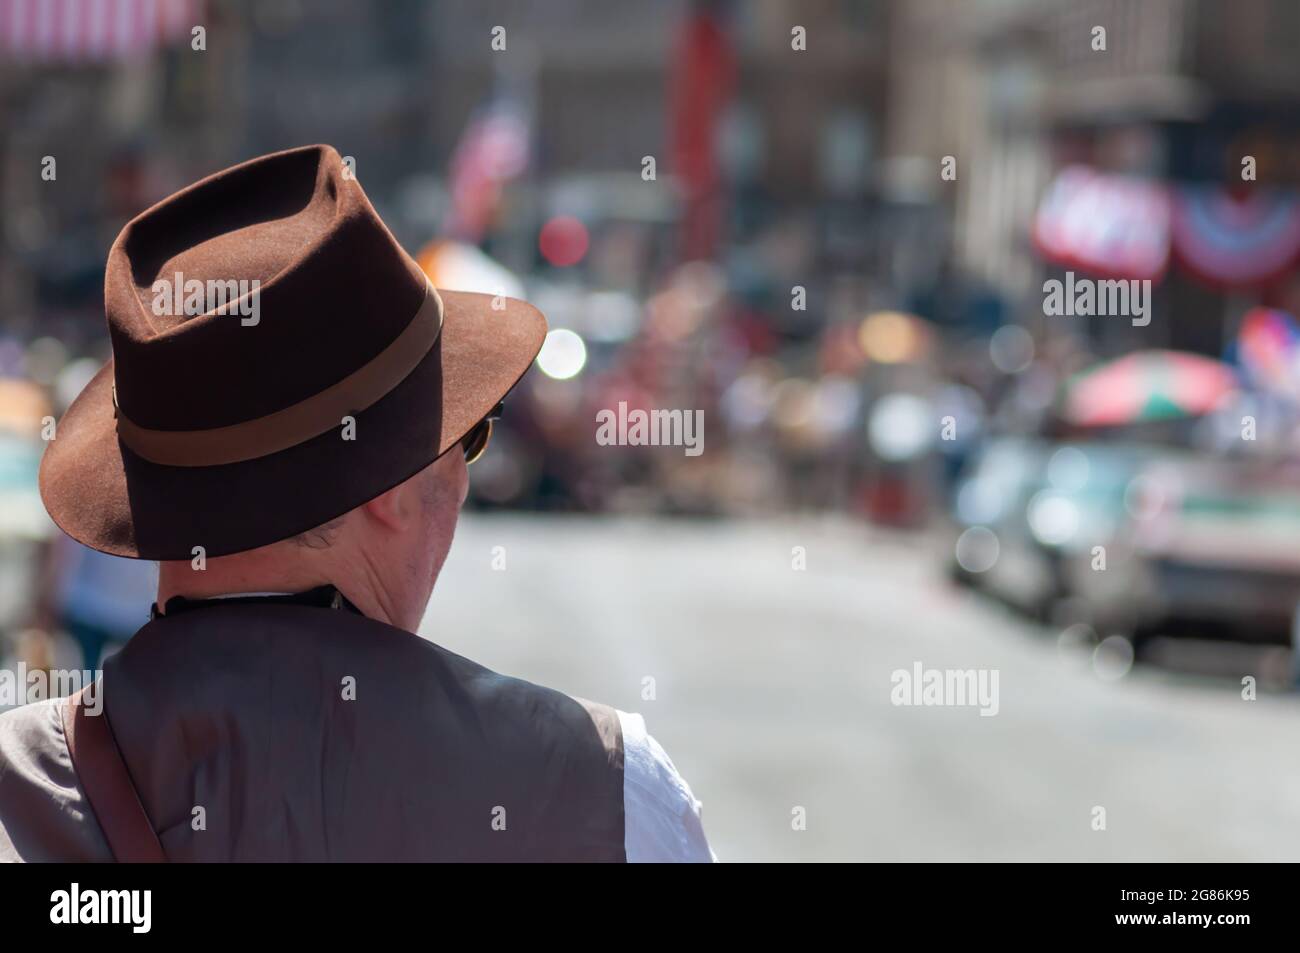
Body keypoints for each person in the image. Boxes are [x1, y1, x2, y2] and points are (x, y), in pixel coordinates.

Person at [0, 145, 712, 862]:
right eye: (468, 436)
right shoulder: (607, 791)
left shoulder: (17, 791)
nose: (464, 481)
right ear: (392, 489)